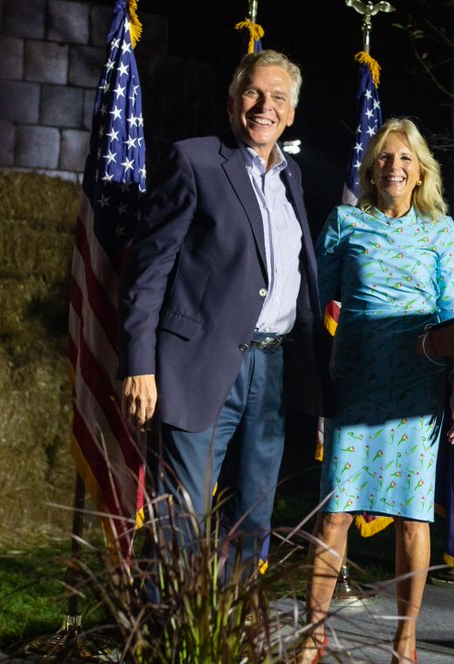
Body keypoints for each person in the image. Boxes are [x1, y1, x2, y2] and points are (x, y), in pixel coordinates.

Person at [118, 49, 325, 568]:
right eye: (254, 93)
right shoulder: (195, 160)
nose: (265, 106)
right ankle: (161, 647)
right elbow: (148, 271)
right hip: (198, 365)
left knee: (252, 520)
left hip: (273, 369)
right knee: (180, 521)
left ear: (292, 112)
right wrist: (139, 363)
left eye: (278, 97)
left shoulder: (292, 177)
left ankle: (226, 645)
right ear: (233, 102)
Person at [297, 118, 454, 664]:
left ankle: (405, 641)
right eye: (384, 157)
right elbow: (316, 298)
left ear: (421, 170)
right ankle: (312, 634)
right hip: (356, 381)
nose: (393, 167)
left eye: (404, 159)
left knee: (413, 521)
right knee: (334, 517)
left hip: (417, 385)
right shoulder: (345, 221)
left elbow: (451, 311)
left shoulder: (440, 229)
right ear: (371, 167)